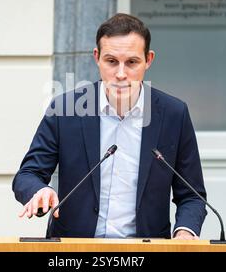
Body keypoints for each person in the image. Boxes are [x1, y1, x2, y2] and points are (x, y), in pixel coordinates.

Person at [12, 13, 207, 239]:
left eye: (132, 62)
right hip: (75, 249)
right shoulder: (65, 110)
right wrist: (39, 190)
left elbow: (192, 195)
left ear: (149, 60)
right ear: (97, 57)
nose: (121, 74)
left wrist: (184, 232)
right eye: (111, 61)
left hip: (144, 249)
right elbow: (27, 175)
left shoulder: (174, 114)